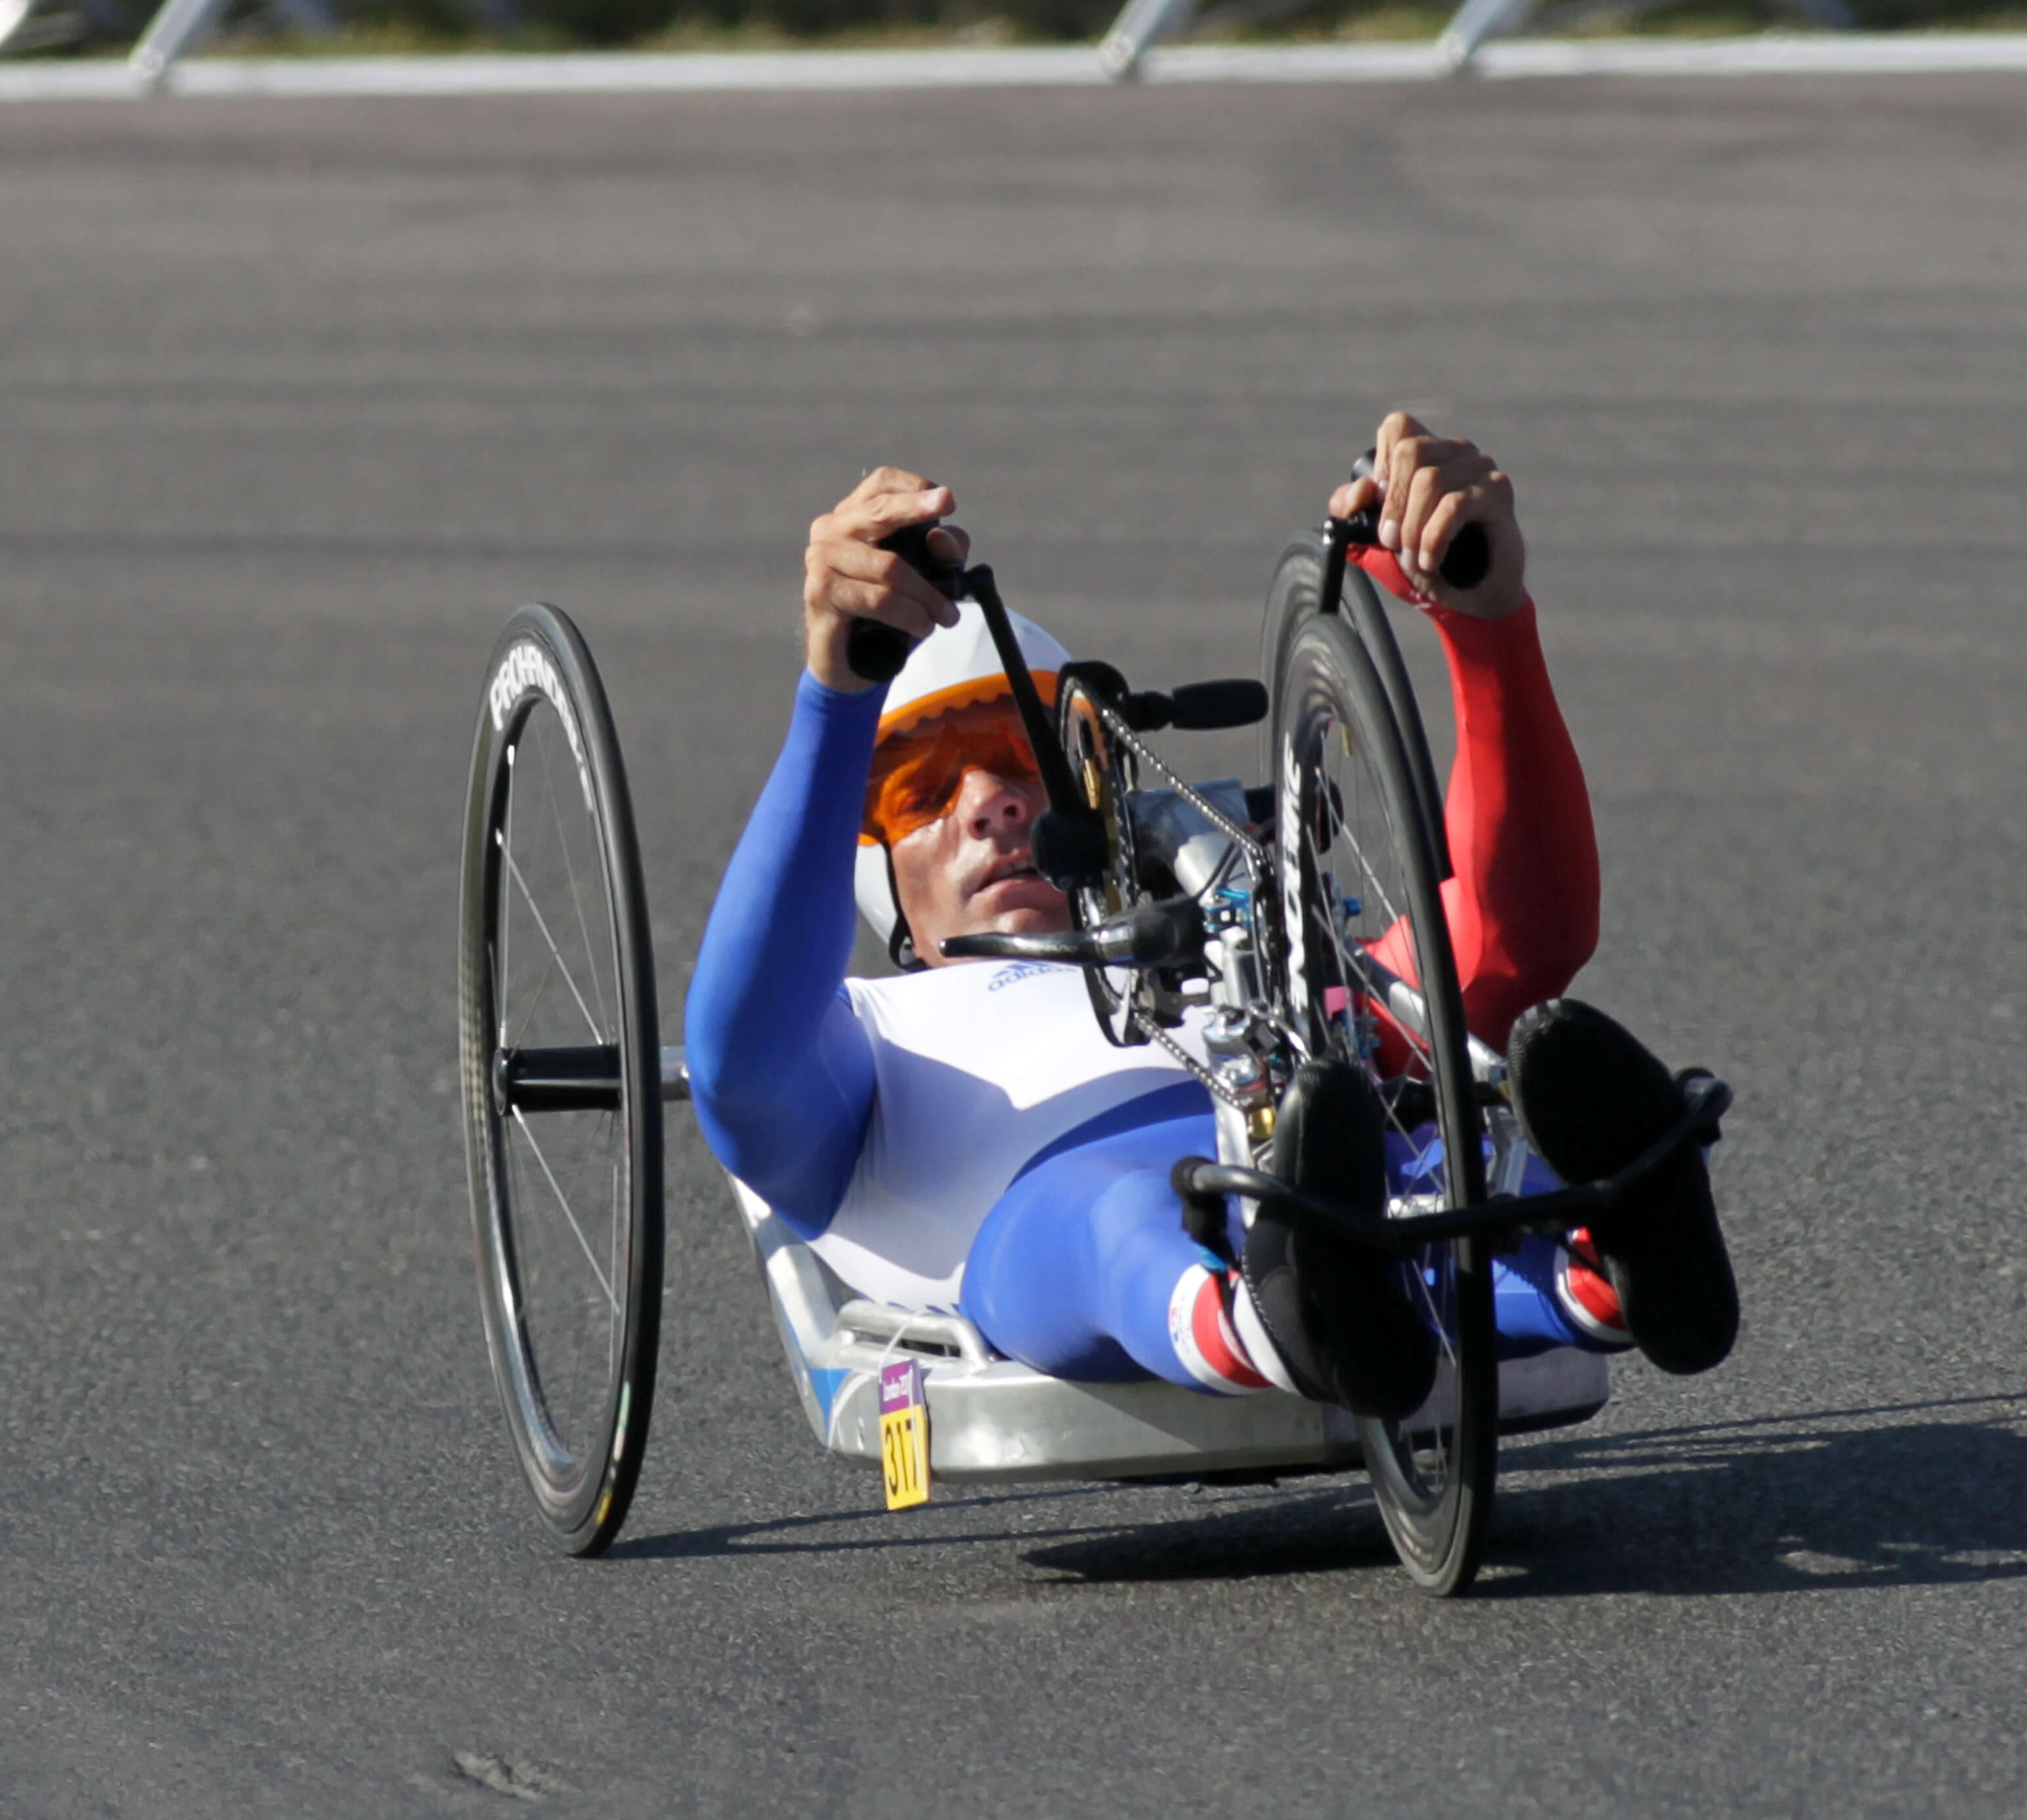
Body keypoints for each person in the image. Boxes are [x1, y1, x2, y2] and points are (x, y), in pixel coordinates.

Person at [685, 414, 1737, 1419]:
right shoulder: (860, 1037)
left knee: (1445, 1155)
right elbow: (740, 1059)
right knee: (1112, 1212)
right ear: (856, 850)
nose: (993, 802)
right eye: (918, 787)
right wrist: (839, 692)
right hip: (1068, 1232)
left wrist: (1483, 618)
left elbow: (1509, 945)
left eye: (1028, 761)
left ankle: (1610, 1265)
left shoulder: (1242, 969)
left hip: (1315, 1159)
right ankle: (1275, 1310)